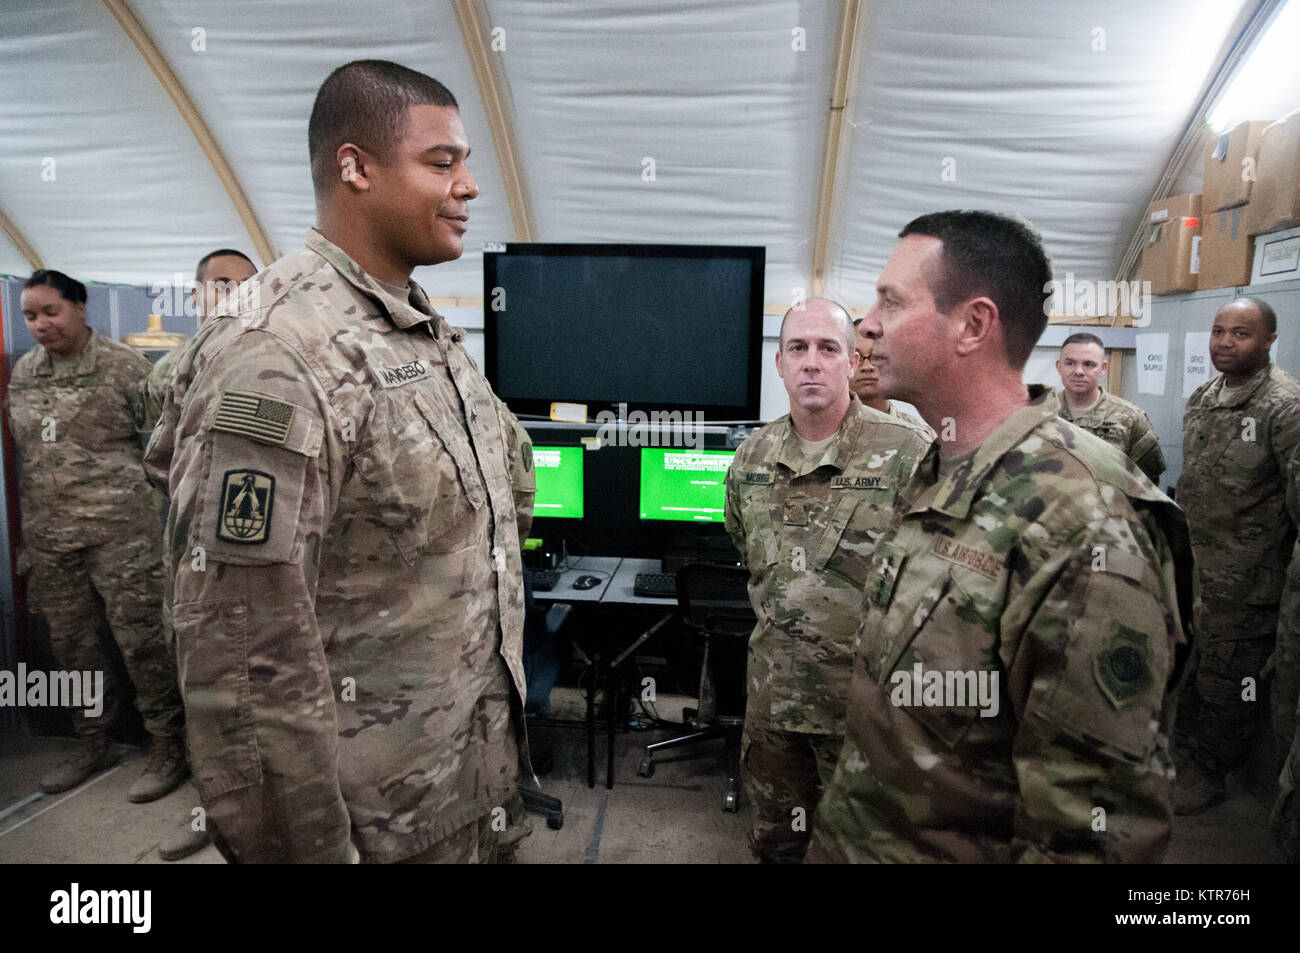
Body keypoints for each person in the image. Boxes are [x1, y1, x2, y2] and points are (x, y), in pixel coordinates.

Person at [144, 60, 529, 863]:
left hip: (464, 786)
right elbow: (243, 662)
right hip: (372, 824)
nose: (469, 186)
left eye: (466, 162)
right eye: (441, 161)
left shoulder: (419, 329)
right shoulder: (275, 353)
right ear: (355, 166)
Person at [807, 210, 1196, 863]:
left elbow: (1089, 836)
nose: (867, 322)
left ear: (974, 324)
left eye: (891, 300)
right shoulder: (939, 468)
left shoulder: (1086, 519)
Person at [724, 297, 930, 863]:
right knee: (778, 845)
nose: (811, 362)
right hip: (774, 709)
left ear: (851, 361)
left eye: (827, 348)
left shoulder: (908, 455)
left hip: (865, 716)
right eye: (798, 348)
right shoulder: (751, 458)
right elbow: (749, 552)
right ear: (781, 364)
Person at [8, 270, 187, 801]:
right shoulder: (25, 372)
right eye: (30, 316)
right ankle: (93, 740)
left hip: (121, 537)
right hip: (51, 539)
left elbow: (160, 450)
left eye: (51, 312)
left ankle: (168, 746)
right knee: (72, 649)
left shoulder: (125, 369)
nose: (41, 325)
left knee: (143, 644)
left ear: (81, 307)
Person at [1174, 297, 1300, 817]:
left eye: (1241, 334)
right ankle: (1183, 753)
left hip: (1249, 581)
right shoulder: (1206, 396)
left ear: (1270, 341)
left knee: (1230, 682)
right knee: (1191, 670)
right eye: (1218, 330)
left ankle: (1210, 772)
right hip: (1197, 572)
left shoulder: (1285, 407)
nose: (1225, 342)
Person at [143, 248, 258, 428]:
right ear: (196, 295)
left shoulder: (283, 359)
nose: (237, 294)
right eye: (222, 286)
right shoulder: (168, 370)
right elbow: (157, 449)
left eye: (247, 285)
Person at [1055, 331, 1165, 486]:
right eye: (1070, 363)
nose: (1078, 371)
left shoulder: (1130, 419)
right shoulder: (1038, 412)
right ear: (1059, 366)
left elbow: (1147, 484)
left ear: (1103, 368)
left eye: (1088, 364)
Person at [850, 317, 933, 438]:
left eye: (876, 356)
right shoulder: (822, 433)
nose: (867, 367)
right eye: (858, 357)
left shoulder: (922, 436)